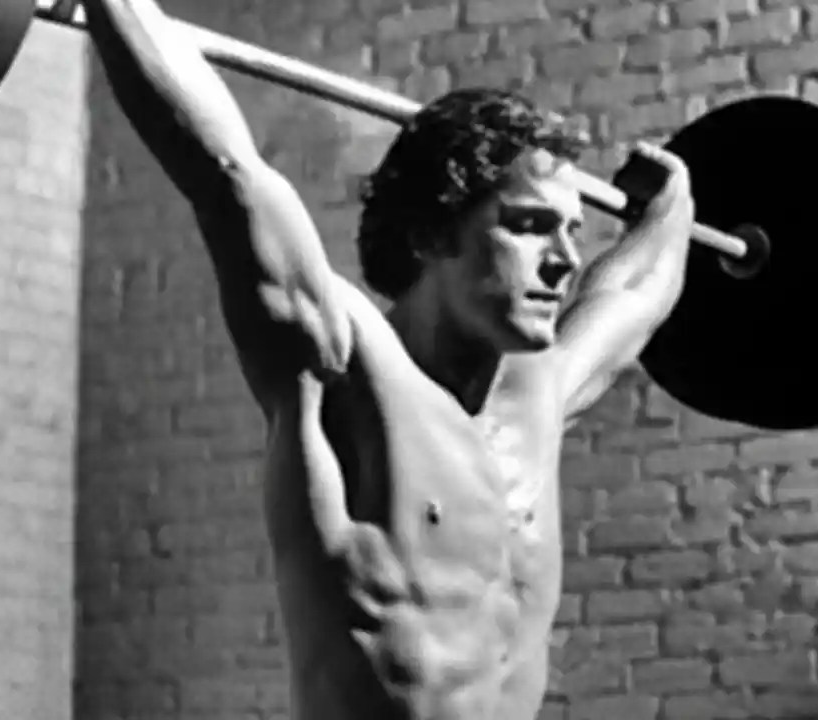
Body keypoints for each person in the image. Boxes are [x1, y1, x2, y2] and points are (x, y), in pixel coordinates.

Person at [85, 1, 695, 718]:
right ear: (431, 234)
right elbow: (226, 172)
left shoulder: (539, 396)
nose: (564, 261)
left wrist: (673, 205)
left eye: (571, 231)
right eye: (529, 226)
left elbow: (635, 293)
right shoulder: (341, 367)